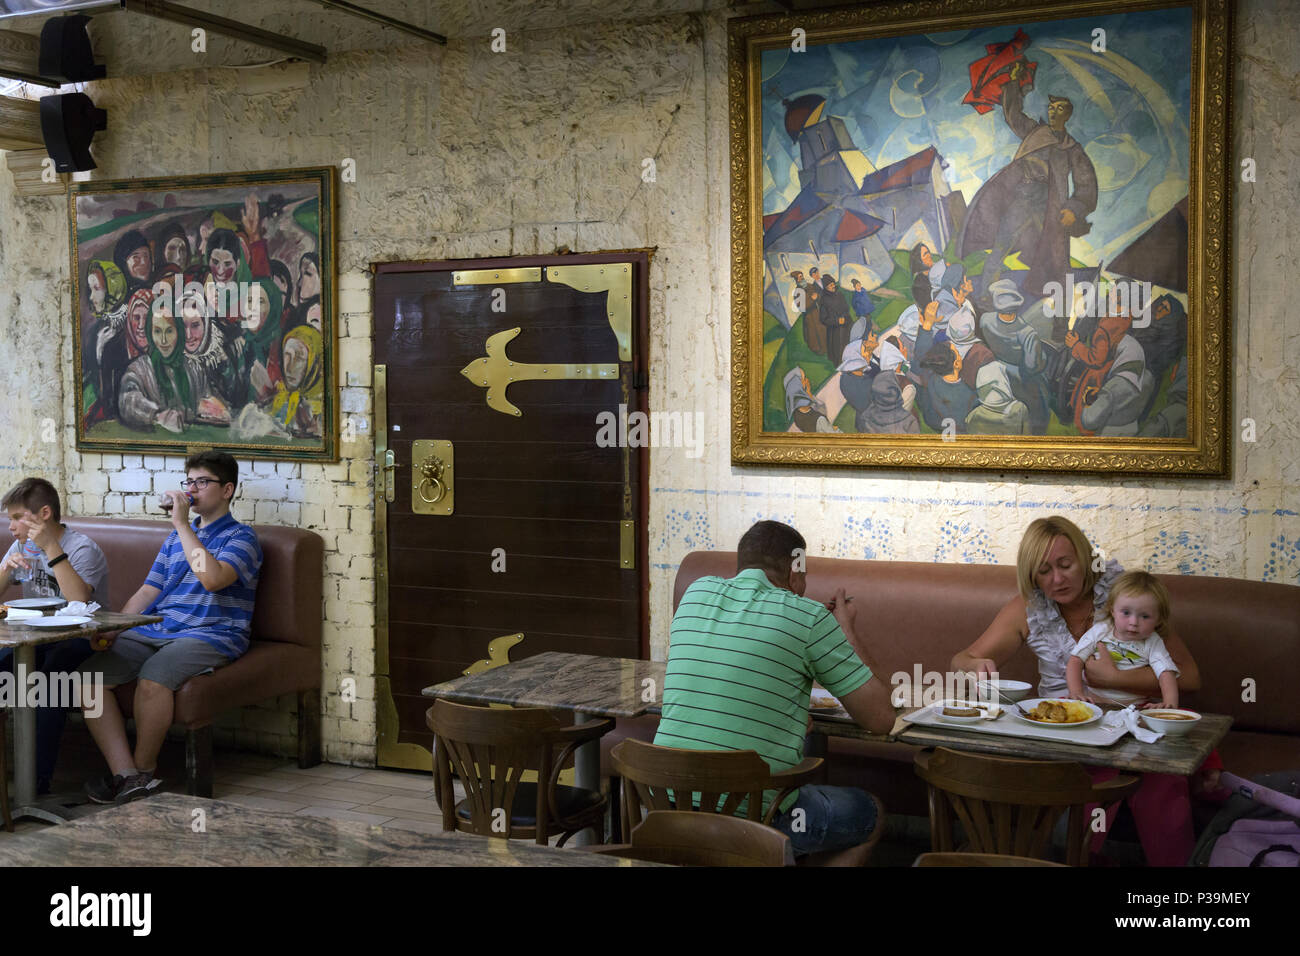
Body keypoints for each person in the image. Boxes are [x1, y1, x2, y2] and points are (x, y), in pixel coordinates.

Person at [950, 516, 1202, 865]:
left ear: (1085, 558)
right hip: (1062, 730)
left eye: (1066, 564)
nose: (1057, 578)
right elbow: (962, 658)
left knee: (1160, 780)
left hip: (1130, 723)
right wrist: (974, 666)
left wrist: (1114, 679)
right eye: (1044, 570)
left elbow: (1189, 676)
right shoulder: (1028, 608)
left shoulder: (1123, 598)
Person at [654, 520, 895, 858]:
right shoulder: (809, 618)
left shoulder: (695, 594)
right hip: (757, 822)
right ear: (795, 570)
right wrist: (846, 629)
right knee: (870, 813)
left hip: (665, 812)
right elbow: (881, 719)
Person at [79, 451, 262, 805]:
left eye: (202, 482)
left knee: (154, 676)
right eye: (189, 482)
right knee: (88, 681)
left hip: (213, 633)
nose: (192, 490)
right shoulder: (176, 539)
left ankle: (145, 771)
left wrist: (181, 525)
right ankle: (127, 776)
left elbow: (212, 579)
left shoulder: (242, 538)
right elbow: (149, 590)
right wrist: (118, 627)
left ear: (227, 490)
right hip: (160, 629)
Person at [0, 478, 109, 794]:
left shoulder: (82, 548)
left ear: (44, 513)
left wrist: (51, 548)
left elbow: (80, 604)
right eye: (9, 519)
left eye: (18, 517)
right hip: (33, 637)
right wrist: (7, 570)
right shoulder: (20, 546)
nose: (12, 526)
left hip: (84, 638)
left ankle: (34, 783)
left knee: (49, 682)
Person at [958, 70, 1098, 300]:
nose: (1053, 111)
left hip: (1050, 204)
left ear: (1067, 115)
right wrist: (1014, 83)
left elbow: (1087, 184)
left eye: (1059, 109)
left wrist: (1074, 209)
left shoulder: (1072, 148)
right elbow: (1013, 116)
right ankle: (984, 296)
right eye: (1052, 108)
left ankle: (1058, 316)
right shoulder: (1035, 132)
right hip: (1024, 196)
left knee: (1055, 256)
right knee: (1002, 244)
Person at [1067, 571, 1179, 709]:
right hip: (1094, 703)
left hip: (1136, 707)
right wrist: (1076, 692)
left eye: (1145, 616)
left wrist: (1169, 704)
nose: (1134, 622)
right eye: (1126, 613)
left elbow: (1166, 673)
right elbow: (1075, 660)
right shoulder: (1101, 630)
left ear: (1158, 619)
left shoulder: (1152, 641)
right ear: (1112, 610)